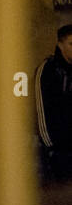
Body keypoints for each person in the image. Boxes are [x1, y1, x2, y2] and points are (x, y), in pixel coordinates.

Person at [36, 24, 72, 182]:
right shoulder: (48, 70)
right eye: (71, 44)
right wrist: (51, 149)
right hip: (56, 149)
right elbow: (41, 113)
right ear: (60, 44)